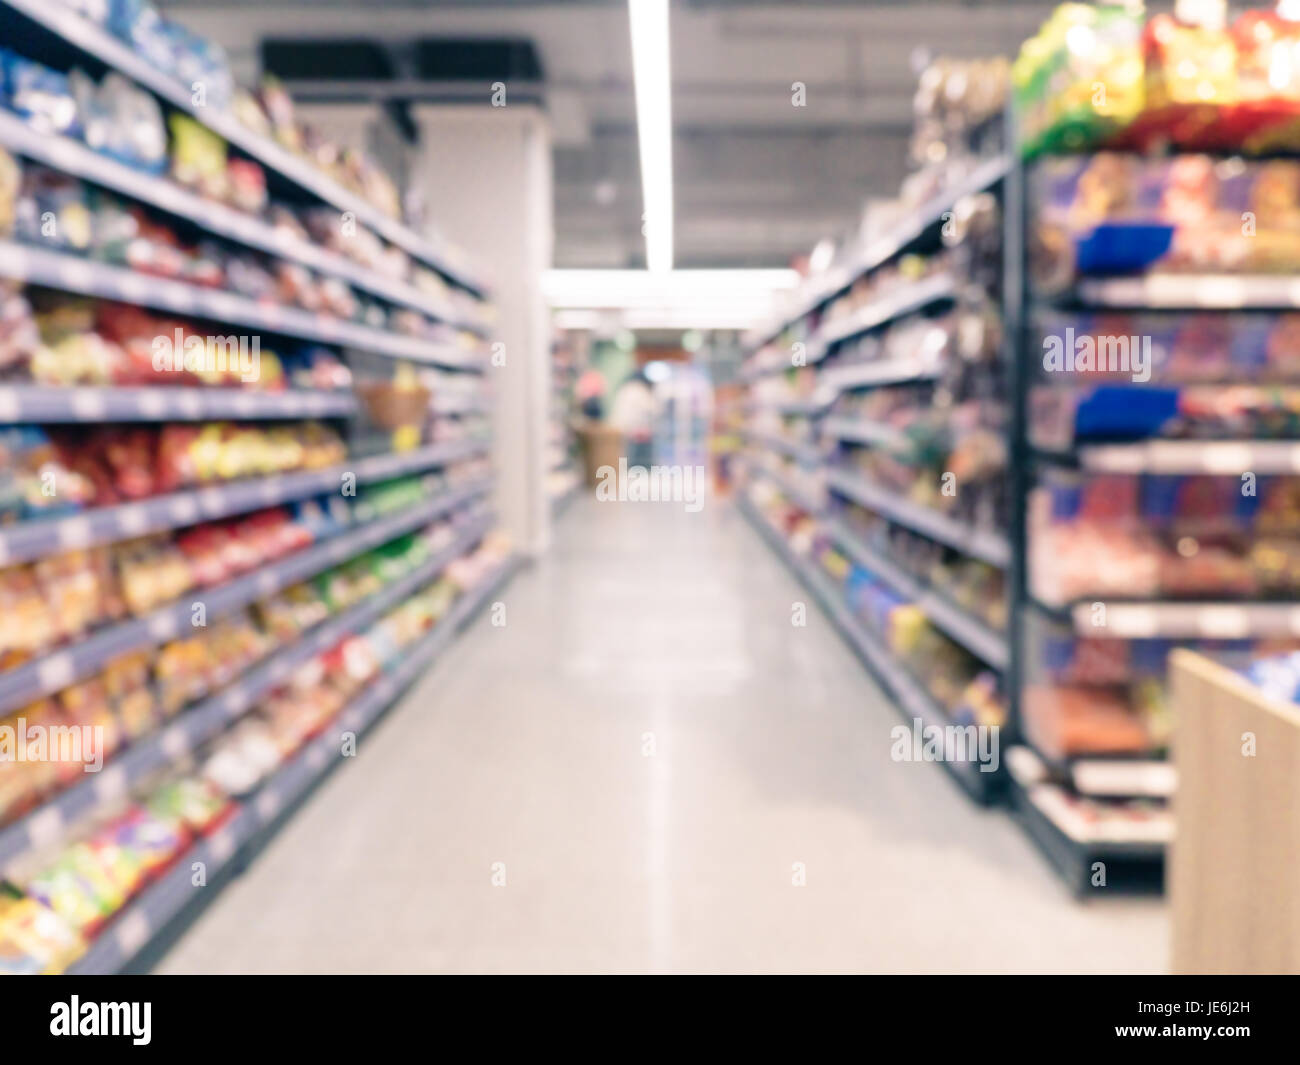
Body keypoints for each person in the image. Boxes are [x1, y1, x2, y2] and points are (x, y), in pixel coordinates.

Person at [608, 367, 656, 469]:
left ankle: (624, 468)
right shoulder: (640, 390)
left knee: (622, 453)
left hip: (617, 426)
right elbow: (653, 408)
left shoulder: (625, 388)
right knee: (630, 453)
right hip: (629, 427)